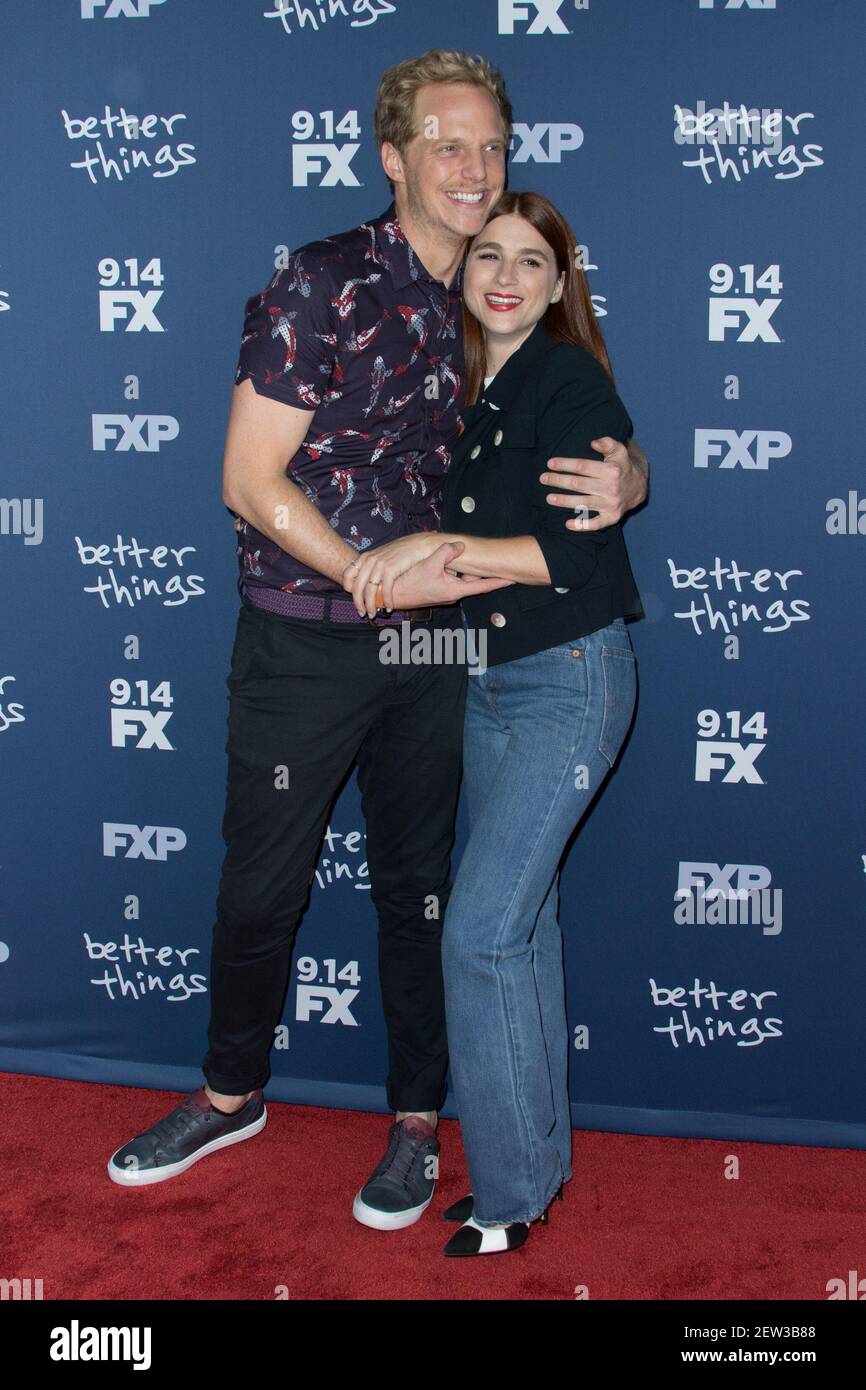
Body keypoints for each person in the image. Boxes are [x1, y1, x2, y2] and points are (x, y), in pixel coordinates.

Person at [106, 51, 648, 1234]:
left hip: (438, 647)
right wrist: (357, 570)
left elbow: (570, 403)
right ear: (392, 157)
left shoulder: (487, 300)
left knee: (421, 890)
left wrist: (629, 473)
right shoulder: (321, 281)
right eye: (447, 143)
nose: (473, 166)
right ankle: (229, 1094)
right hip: (303, 639)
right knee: (261, 886)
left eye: (490, 145)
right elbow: (248, 479)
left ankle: (414, 1121)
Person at [345, 190, 643, 1256]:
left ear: (560, 285)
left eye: (529, 260)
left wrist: (431, 551)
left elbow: (572, 551)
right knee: (523, 927)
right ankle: (536, 1168)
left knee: (478, 932)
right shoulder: (465, 389)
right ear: (461, 273)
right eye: (487, 256)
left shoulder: (565, 377)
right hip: (484, 680)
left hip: (569, 678)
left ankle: (511, 1194)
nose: (505, 276)